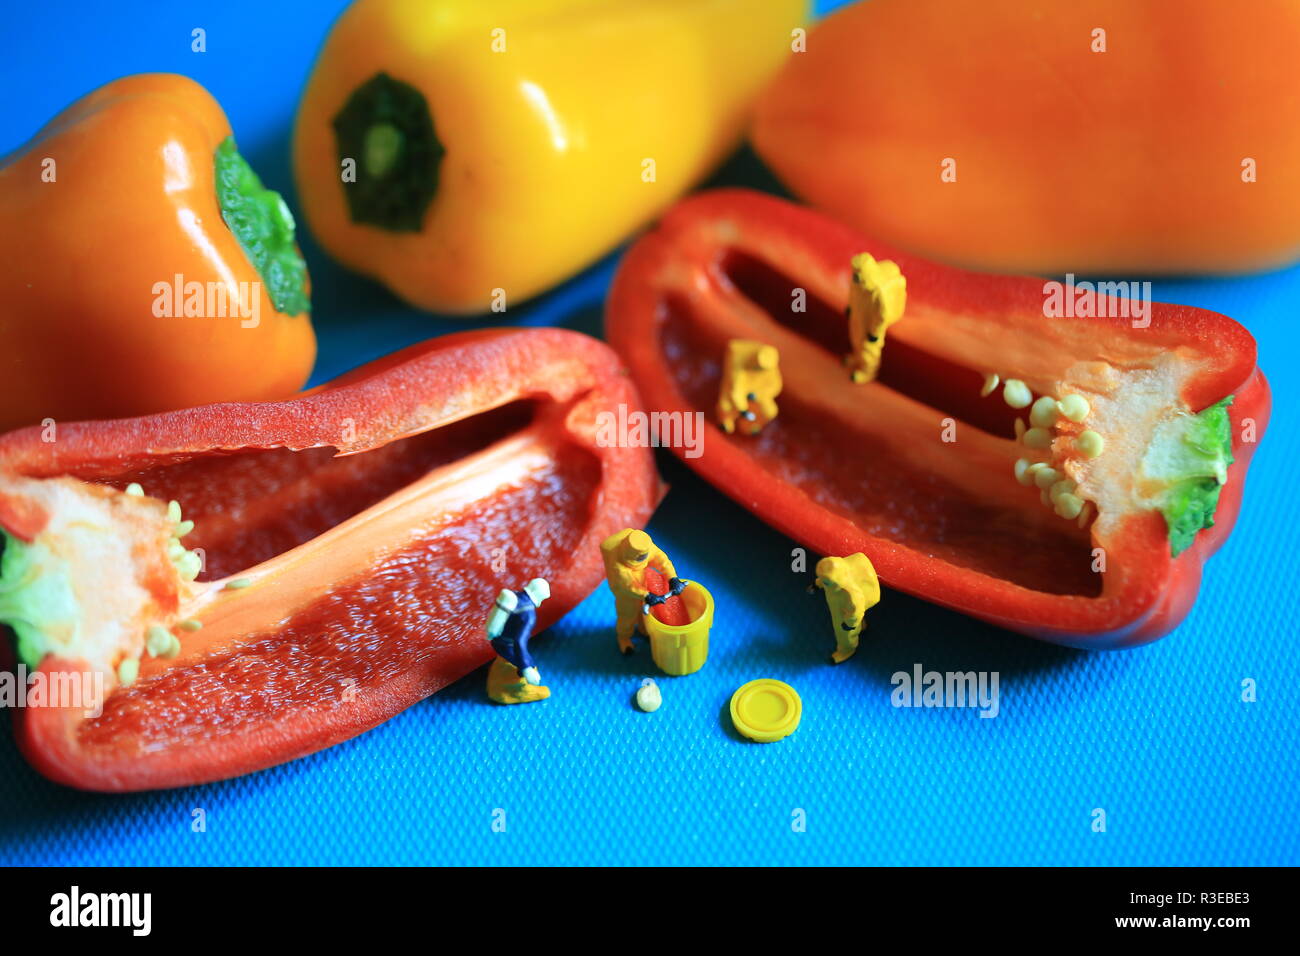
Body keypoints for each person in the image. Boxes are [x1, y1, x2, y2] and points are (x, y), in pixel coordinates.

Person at [600, 528, 686, 655]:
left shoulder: (647, 548)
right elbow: (627, 585)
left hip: (643, 585)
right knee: (627, 616)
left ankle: (643, 629)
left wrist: (673, 578)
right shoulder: (617, 565)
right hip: (625, 594)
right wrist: (647, 595)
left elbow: (662, 561)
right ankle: (624, 638)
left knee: (644, 612)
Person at [485, 577, 551, 704]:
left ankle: (497, 679)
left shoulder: (514, 596)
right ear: (539, 595)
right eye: (543, 598)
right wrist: (526, 667)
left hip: (497, 641)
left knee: (509, 663)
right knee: (527, 667)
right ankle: (512, 691)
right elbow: (519, 642)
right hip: (507, 645)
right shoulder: (528, 614)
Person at [809, 553, 880, 664]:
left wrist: (849, 624)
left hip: (843, 612)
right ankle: (861, 625)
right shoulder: (839, 567)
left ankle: (846, 650)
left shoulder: (850, 594)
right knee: (854, 618)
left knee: (844, 634)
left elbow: (856, 611)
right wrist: (817, 584)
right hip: (844, 606)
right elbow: (826, 578)